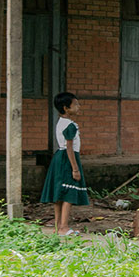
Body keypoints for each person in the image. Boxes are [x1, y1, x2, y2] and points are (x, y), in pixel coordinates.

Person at [40, 91, 88, 235]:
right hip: (68, 159)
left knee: (59, 193)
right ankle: (65, 226)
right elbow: (69, 147)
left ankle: (58, 226)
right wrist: (75, 168)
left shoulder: (60, 122)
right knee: (68, 193)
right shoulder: (71, 125)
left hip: (59, 158)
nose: (79, 107)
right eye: (76, 104)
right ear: (66, 108)